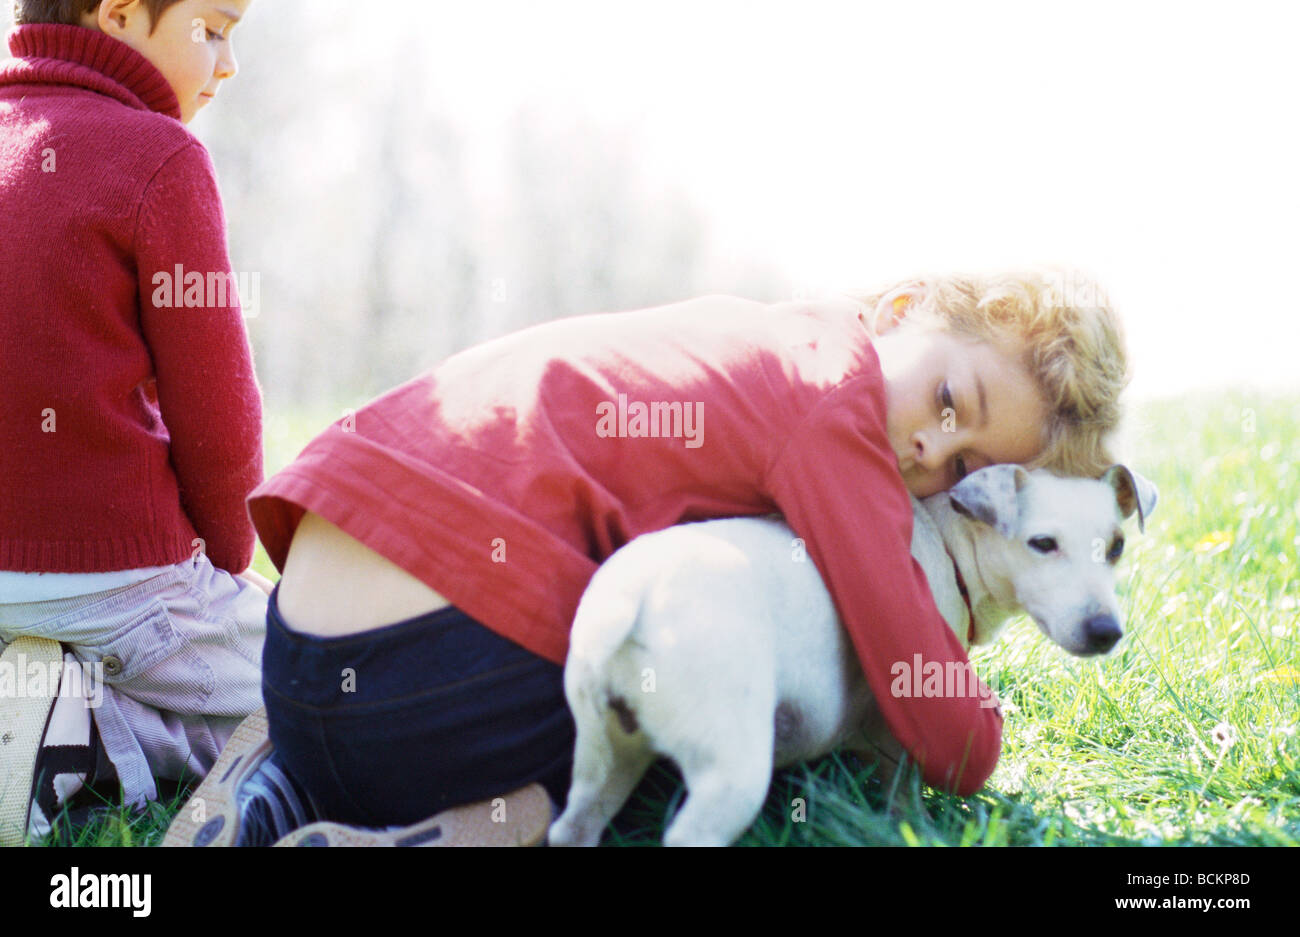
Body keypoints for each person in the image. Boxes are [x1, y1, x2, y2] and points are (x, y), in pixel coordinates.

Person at [172, 270, 1128, 847]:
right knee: (640, 705)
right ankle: (430, 827)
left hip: (304, 639)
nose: (927, 450)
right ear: (909, 305)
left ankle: (284, 775)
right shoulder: (833, 412)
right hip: (421, 677)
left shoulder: (768, 333)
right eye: (948, 400)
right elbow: (930, 702)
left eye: (962, 465)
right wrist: (988, 731)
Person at [0, 0, 263, 845]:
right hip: (121, 580)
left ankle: (42, 704)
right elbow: (219, 426)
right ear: (117, 14)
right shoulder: (159, 157)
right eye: (214, 29)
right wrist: (225, 570)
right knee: (331, 679)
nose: (227, 65)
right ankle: (94, 738)